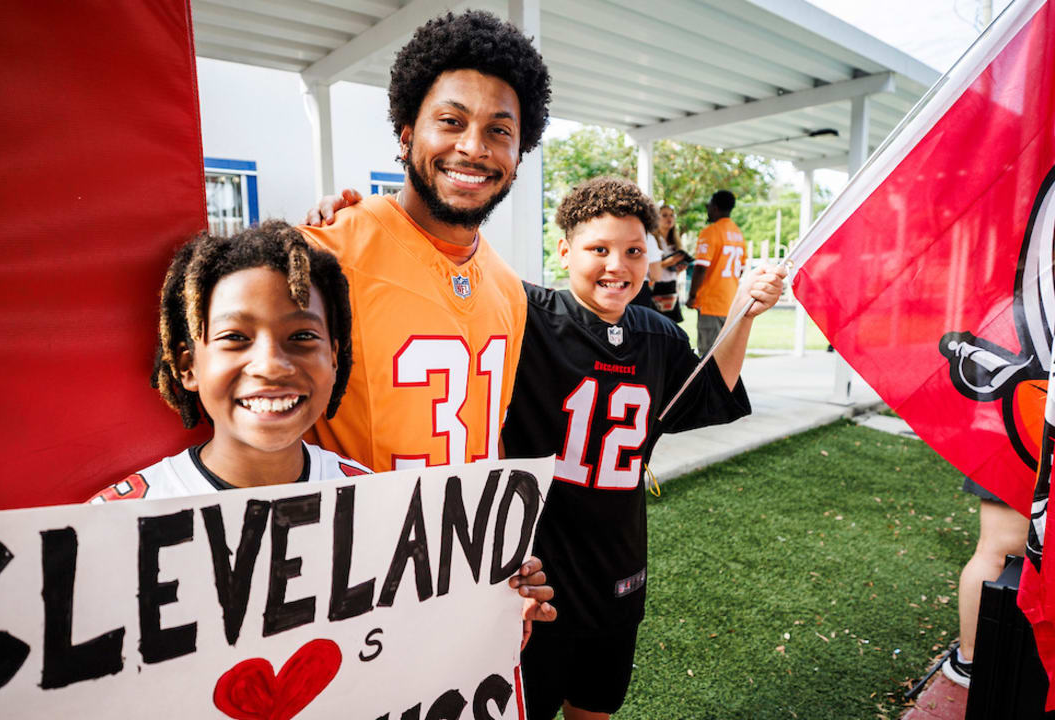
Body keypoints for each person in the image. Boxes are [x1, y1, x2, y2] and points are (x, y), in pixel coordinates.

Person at [86, 221, 553, 616]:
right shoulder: (114, 528)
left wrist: (493, 601)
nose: (270, 365)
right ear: (188, 365)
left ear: (335, 358)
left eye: (302, 336)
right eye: (235, 337)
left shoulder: (381, 506)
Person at [501, 176, 785, 720]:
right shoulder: (526, 314)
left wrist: (744, 315)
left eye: (634, 251)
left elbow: (709, 395)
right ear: (564, 251)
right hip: (535, 566)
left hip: (618, 561)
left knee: (595, 707)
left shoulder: (657, 334)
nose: (618, 266)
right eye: (599, 250)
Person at [298, 10, 550, 475]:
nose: (474, 147)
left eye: (499, 130)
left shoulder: (509, 289)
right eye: (452, 121)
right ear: (408, 135)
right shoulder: (326, 253)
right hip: (357, 543)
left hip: (469, 543)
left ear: (519, 153)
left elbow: (489, 437)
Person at [942, 476, 1028, 687]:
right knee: (999, 551)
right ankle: (969, 659)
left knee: (1004, 552)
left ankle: (972, 657)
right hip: (1029, 452)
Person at [686, 190, 747, 355]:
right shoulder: (738, 234)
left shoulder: (711, 231)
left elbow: (700, 268)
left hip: (711, 304)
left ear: (715, 207)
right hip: (730, 304)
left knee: (708, 357)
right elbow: (740, 270)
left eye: (709, 206)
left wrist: (692, 296)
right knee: (726, 356)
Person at [650, 203, 688, 324]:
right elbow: (648, 269)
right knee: (657, 324)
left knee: (671, 326)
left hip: (671, 286)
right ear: (657, 218)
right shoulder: (651, 239)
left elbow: (671, 271)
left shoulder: (675, 241)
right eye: (664, 215)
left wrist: (678, 269)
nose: (669, 218)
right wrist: (667, 262)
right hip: (656, 287)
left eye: (671, 215)